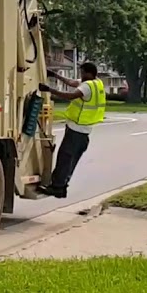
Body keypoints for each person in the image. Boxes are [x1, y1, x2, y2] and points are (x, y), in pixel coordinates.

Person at [37, 61, 105, 199]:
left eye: (82, 72)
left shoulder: (87, 86)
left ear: (88, 73)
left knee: (65, 158)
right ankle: (62, 187)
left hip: (76, 130)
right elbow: (72, 82)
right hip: (84, 131)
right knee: (70, 160)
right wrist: (55, 75)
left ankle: (57, 187)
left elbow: (70, 96)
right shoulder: (97, 83)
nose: (81, 75)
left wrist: (49, 89)